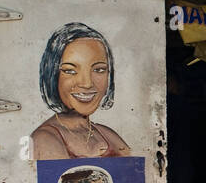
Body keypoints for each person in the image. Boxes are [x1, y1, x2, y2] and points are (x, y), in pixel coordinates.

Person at [31, 22, 132, 160]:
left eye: (99, 70)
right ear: (52, 76)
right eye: (70, 71)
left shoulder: (107, 135)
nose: (87, 83)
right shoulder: (46, 139)